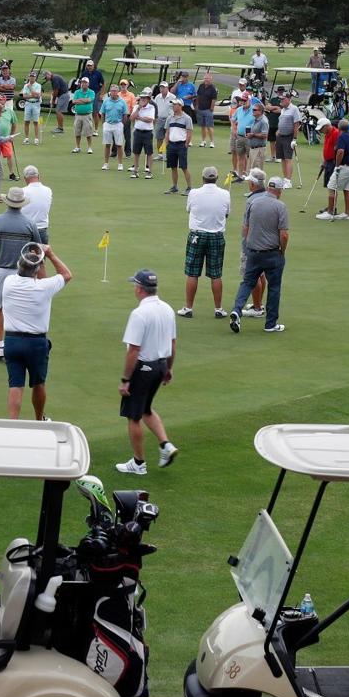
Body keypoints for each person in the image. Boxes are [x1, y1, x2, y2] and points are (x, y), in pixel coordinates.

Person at [115, 269, 178, 475]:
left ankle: (139, 464)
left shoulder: (139, 314)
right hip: (160, 366)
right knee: (146, 409)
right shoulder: (167, 308)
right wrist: (168, 368)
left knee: (133, 416)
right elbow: (172, 343)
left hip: (143, 368)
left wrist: (125, 380)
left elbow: (134, 350)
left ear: (140, 289)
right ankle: (165, 445)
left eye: (135, 285)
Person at [0, 243, 72, 421]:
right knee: (38, 384)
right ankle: (39, 420)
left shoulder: (8, 282)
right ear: (37, 270)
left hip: (11, 341)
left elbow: (36, 277)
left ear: (19, 266)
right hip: (36, 344)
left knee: (15, 385)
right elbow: (66, 275)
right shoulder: (43, 287)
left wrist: (38, 261)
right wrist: (50, 254)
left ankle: (13, 424)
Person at [0, 186, 42, 359]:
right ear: (21, 204)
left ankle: (1, 346)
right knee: (22, 307)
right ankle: (22, 345)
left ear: (7, 202)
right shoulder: (29, 223)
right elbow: (36, 250)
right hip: (22, 272)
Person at [230, 175, 289, 334]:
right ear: (279, 190)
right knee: (274, 287)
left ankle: (237, 310)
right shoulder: (280, 206)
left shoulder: (254, 202)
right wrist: (282, 251)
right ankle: (270, 324)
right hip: (272, 253)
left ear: (268, 188)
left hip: (253, 252)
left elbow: (245, 228)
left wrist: (248, 247)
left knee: (247, 282)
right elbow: (283, 235)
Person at [178, 166, 231, 318]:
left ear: (203, 178)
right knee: (216, 274)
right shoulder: (225, 194)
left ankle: (188, 308)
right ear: (217, 178)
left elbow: (189, 210)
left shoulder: (194, 193)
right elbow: (226, 213)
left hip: (197, 235)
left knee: (192, 273)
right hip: (216, 236)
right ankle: (218, 309)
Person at [164, 99, 194, 193]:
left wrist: (186, 144)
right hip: (171, 145)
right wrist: (167, 143)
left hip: (181, 145)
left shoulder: (187, 118)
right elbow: (167, 131)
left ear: (180, 106)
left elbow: (189, 133)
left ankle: (189, 188)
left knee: (184, 167)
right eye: (172, 105)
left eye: (175, 105)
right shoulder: (170, 118)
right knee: (173, 167)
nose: (173, 106)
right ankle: (174, 187)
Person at [129, 89, 157, 180]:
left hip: (147, 133)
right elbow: (132, 118)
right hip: (138, 132)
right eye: (142, 98)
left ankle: (149, 172)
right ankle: (135, 171)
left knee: (149, 153)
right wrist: (138, 109)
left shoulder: (151, 107)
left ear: (148, 99)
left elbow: (150, 119)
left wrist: (139, 117)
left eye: (145, 98)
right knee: (136, 152)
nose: (143, 100)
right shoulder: (136, 107)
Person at [20, 165, 52, 242]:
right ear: (38, 176)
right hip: (42, 230)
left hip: (26, 230)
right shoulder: (48, 190)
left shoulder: (22, 191)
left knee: (24, 254)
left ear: (25, 179)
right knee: (41, 253)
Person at [100, 86, 128, 171]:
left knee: (119, 144)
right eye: (112, 91)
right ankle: (106, 163)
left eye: (115, 91)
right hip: (108, 124)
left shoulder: (122, 102)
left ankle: (120, 164)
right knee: (107, 144)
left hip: (118, 124)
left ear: (118, 92)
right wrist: (104, 123)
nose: (113, 92)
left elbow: (125, 114)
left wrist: (122, 124)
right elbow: (103, 113)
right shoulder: (106, 101)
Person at [274, 92, 300, 182]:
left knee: (288, 158)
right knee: (282, 158)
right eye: (280, 99)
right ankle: (285, 178)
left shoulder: (294, 109)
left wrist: (295, 139)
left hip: (289, 137)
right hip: (280, 136)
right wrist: (278, 131)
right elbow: (282, 122)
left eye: (283, 99)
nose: (281, 101)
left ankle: (288, 180)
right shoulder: (283, 109)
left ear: (289, 99)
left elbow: (296, 124)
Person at [70, 77, 97, 155]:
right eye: (82, 82)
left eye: (85, 82)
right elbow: (74, 101)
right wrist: (84, 101)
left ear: (88, 84)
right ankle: (78, 147)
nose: (83, 84)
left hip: (87, 115)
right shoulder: (77, 92)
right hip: (78, 115)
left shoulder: (91, 92)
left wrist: (80, 100)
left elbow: (89, 100)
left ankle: (89, 147)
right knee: (77, 132)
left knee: (88, 132)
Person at [0, 95, 19, 182]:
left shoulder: (10, 112)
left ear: (5, 101)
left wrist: (11, 135)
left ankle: (11, 174)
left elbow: (14, 124)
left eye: (1, 100)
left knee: (9, 155)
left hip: (6, 138)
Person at [195, 72, 218, 149]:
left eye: (207, 78)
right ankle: (203, 141)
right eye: (205, 78)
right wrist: (197, 105)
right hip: (200, 109)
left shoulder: (212, 88)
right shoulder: (201, 86)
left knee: (209, 126)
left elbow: (214, 99)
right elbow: (198, 96)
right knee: (203, 126)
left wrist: (211, 108)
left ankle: (212, 142)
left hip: (208, 109)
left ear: (211, 79)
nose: (206, 80)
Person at [20, 70, 42, 144]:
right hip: (28, 103)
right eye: (31, 76)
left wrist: (31, 89)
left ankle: (36, 139)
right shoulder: (25, 86)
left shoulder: (38, 85)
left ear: (35, 77)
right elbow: (24, 96)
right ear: (29, 77)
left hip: (36, 104)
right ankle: (26, 138)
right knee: (26, 121)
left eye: (33, 76)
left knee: (36, 122)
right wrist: (33, 95)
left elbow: (38, 96)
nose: (32, 78)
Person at [48, 70, 69, 135]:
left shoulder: (54, 78)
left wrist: (53, 101)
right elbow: (55, 90)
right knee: (59, 111)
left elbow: (56, 90)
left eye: (46, 77)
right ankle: (60, 127)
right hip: (63, 95)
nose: (46, 79)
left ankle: (60, 128)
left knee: (58, 111)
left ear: (48, 75)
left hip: (63, 95)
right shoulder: (54, 77)